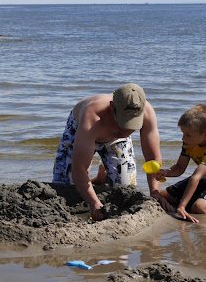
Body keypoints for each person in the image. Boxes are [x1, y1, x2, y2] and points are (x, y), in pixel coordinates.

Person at [52, 83, 168, 221]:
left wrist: (155, 192)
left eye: (132, 125)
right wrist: (94, 204)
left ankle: (100, 180)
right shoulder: (92, 115)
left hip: (116, 140)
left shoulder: (147, 112)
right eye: (124, 122)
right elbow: (79, 168)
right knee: (65, 189)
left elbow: (153, 159)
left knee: (126, 191)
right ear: (112, 107)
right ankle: (97, 181)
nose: (127, 130)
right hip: (83, 130)